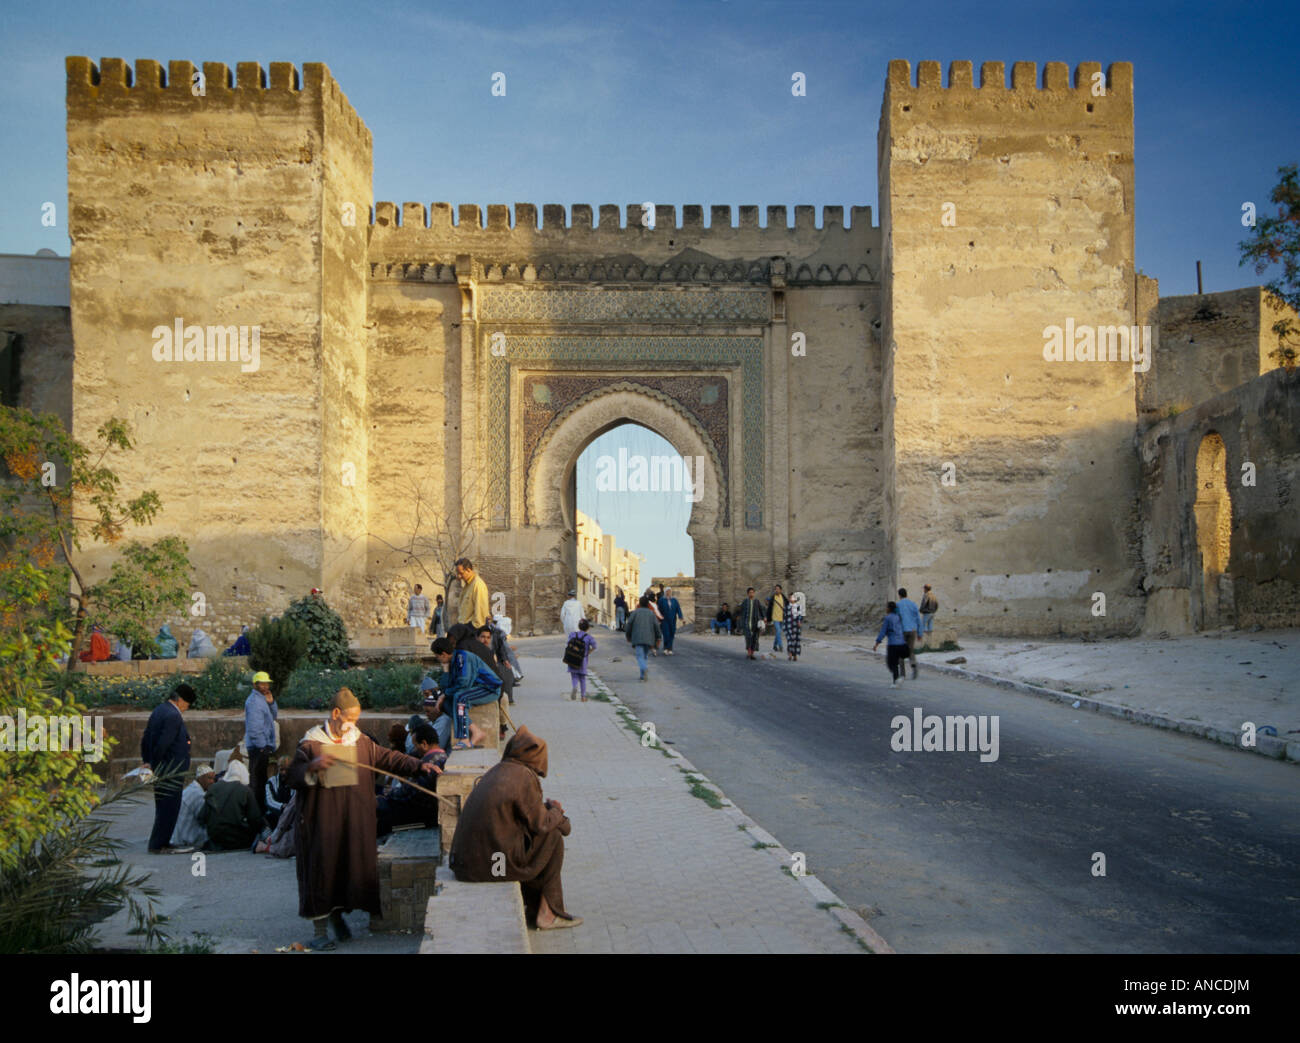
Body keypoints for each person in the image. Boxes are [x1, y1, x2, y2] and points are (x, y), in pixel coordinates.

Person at [289, 688, 437, 950]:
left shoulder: (359, 741)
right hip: (321, 823)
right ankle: (321, 930)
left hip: (353, 821)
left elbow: (388, 758)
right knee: (322, 872)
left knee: (348, 869)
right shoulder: (311, 744)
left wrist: (419, 765)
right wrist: (313, 766)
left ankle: (338, 917)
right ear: (336, 714)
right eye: (350, 719)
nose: (354, 725)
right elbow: (294, 774)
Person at [449, 727, 580, 931]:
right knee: (552, 837)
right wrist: (557, 812)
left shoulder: (500, 770)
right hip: (492, 868)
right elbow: (541, 824)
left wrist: (556, 816)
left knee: (543, 837)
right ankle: (548, 913)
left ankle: (539, 909)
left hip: (467, 864)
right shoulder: (523, 776)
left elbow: (529, 817)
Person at [141, 682, 196, 854]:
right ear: (180, 700)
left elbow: (146, 738)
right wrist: (156, 763)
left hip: (162, 767)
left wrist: (148, 761)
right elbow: (164, 743)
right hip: (171, 769)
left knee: (163, 806)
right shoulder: (173, 715)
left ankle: (160, 841)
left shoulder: (159, 710)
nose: (186, 708)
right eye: (187, 704)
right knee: (169, 807)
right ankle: (160, 844)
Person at [432, 635, 501, 750]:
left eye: (437, 657)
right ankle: (476, 730)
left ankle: (464, 738)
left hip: (488, 688)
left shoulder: (462, 658)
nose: (438, 659)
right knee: (446, 704)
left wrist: (445, 694)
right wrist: (445, 670)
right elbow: (447, 686)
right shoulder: (452, 662)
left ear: (443, 654)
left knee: (460, 698)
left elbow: (464, 683)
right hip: (474, 689)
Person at [377, 723, 446, 836]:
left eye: (415, 745)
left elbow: (411, 793)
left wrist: (389, 793)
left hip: (417, 813)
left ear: (424, 744)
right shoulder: (441, 757)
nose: (414, 749)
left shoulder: (429, 763)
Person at [199, 770, 265, 850]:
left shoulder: (213, 788)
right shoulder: (246, 790)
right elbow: (255, 819)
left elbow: (202, 817)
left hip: (215, 839)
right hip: (238, 839)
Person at [243, 670, 278, 816]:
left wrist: (271, 703)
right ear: (255, 685)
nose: (265, 687)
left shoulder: (262, 699)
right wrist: (263, 746)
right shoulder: (254, 702)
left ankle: (260, 810)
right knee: (257, 781)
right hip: (259, 748)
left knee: (261, 780)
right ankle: (257, 812)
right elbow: (254, 729)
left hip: (263, 746)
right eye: (262, 684)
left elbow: (273, 716)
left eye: (267, 684)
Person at [171, 765, 216, 848]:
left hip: (177, 835)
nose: (212, 782)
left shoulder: (191, 789)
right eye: (209, 778)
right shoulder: (198, 794)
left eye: (213, 779)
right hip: (186, 837)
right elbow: (204, 818)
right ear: (200, 778)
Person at [624, 596, 661, 681]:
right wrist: (658, 637)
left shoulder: (635, 613)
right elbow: (656, 626)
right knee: (644, 656)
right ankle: (642, 676)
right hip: (649, 639)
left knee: (639, 656)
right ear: (648, 604)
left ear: (639, 603)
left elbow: (629, 624)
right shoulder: (651, 613)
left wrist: (628, 635)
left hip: (637, 638)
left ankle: (644, 668)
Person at [873, 601, 909, 687]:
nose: (886, 609)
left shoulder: (888, 618)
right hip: (902, 643)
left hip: (893, 644)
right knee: (895, 663)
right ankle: (897, 680)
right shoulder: (899, 617)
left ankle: (896, 680)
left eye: (886, 607)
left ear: (889, 609)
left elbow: (883, 632)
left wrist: (876, 643)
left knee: (891, 663)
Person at [564, 618, 597, 701]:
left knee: (574, 676)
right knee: (582, 679)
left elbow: (568, 644)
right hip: (583, 660)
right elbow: (594, 646)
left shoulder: (572, 634)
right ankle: (583, 697)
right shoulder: (589, 637)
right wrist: (587, 653)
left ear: (579, 626)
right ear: (588, 628)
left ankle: (575, 687)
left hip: (572, 659)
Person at [455, 558, 490, 630]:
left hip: (472, 630)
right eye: (458, 573)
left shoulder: (478, 585)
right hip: (464, 627)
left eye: (461, 573)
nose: (459, 576)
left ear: (468, 570)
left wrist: (472, 632)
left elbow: (480, 617)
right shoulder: (467, 585)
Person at [896, 587, 922, 681]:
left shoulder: (898, 605)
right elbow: (918, 619)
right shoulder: (913, 604)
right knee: (910, 650)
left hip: (902, 631)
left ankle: (902, 674)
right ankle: (913, 666)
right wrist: (919, 633)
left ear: (899, 595)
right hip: (912, 630)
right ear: (906, 594)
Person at [737, 588, 766, 660]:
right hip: (747, 622)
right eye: (750, 592)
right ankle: (749, 653)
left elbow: (762, 610)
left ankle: (752, 653)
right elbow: (741, 611)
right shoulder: (745, 602)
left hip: (755, 623)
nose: (751, 594)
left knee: (755, 638)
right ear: (748, 594)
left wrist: (764, 617)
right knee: (748, 637)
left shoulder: (757, 601)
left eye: (752, 592)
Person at [265, 756, 293, 828]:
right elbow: (269, 801)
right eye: (281, 769)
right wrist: (282, 806)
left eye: (286, 769)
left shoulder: (294, 782)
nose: (284, 772)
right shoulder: (271, 781)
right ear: (278, 769)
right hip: (274, 817)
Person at [659, 587, 684, 655]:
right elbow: (659, 610)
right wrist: (659, 618)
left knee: (672, 634)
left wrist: (680, 616)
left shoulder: (674, 600)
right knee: (666, 634)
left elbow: (678, 609)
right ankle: (665, 648)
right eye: (667, 591)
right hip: (664, 619)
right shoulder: (661, 600)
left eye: (669, 591)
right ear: (665, 592)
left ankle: (670, 648)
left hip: (672, 619)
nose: (668, 593)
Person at [766, 585, 787, 654]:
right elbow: (769, 609)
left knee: (778, 632)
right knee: (778, 631)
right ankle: (780, 645)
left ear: (781, 590)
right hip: (775, 617)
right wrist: (767, 618)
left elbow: (787, 605)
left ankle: (775, 645)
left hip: (782, 617)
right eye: (776, 589)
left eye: (778, 589)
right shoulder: (773, 598)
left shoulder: (783, 597)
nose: (776, 590)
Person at [784, 593, 805, 662]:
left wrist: (799, 621)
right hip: (789, 626)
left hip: (796, 626)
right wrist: (784, 626)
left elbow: (800, 616)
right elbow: (785, 617)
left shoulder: (798, 607)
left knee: (796, 641)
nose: (791, 599)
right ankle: (790, 654)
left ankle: (795, 655)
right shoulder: (787, 607)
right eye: (790, 597)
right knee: (790, 640)